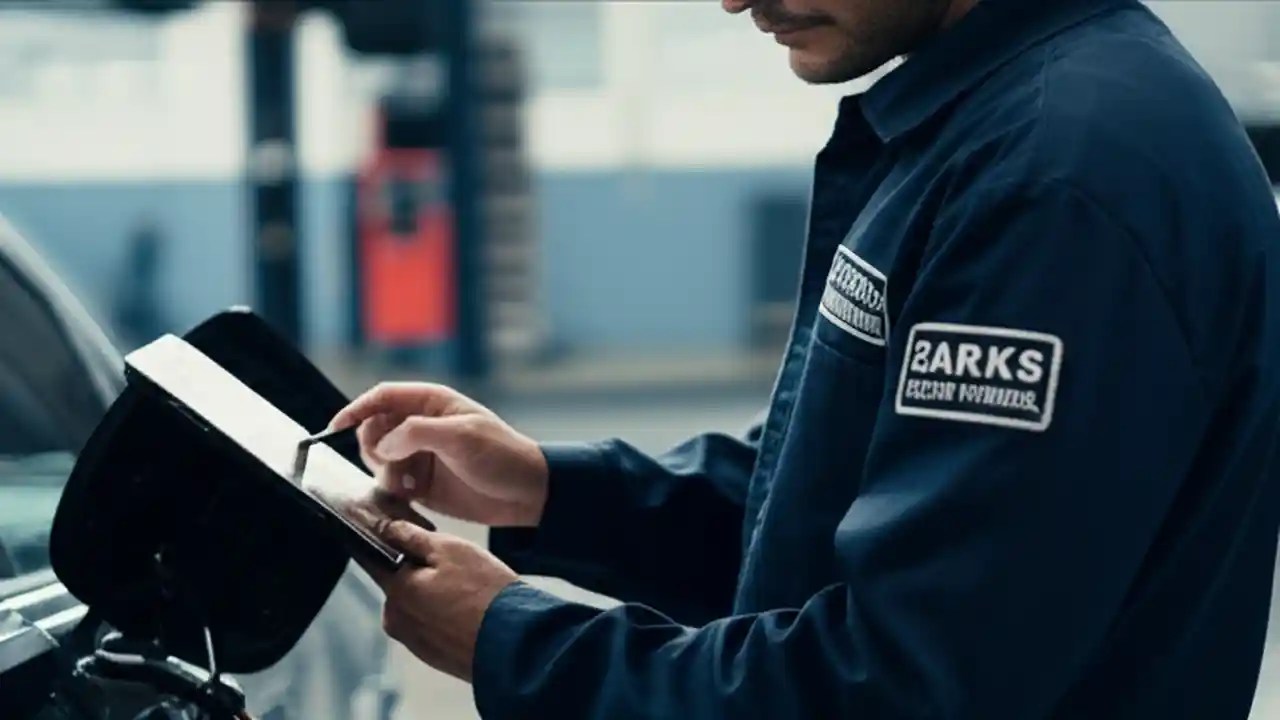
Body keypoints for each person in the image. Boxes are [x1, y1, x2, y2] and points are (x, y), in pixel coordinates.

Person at [329, 0, 1280, 717]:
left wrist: (520, 644)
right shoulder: (991, 124)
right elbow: (860, 503)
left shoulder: (1058, 179)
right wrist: (550, 489)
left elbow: (906, 684)